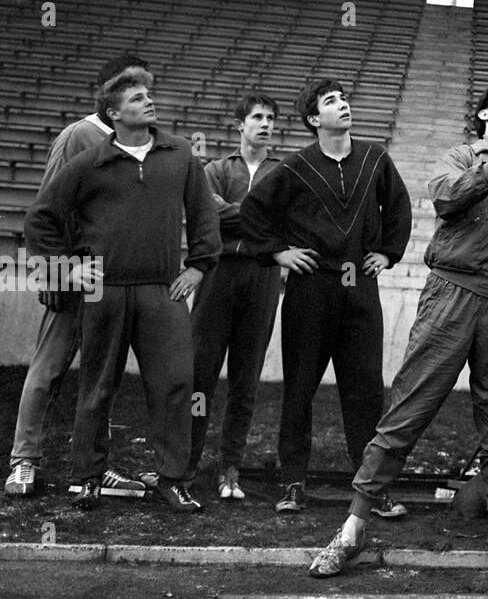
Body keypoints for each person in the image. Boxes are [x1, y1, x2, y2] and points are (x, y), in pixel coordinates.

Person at [308, 80, 488, 585]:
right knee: (409, 407)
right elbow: (443, 197)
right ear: (483, 115)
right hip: (451, 297)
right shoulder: (461, 156)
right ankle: (354, 524)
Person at [24, 67, 220, 513]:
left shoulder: (180, 155)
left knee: (174, 383)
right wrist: (66, 268)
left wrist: (198, 268)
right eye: (136, 98)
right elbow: (41, 218)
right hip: (105, 292)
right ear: (113, 113)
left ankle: (173, 478)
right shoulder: (90, 162)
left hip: (162, 291)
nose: (148, 102)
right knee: (97, 387)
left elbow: (205, 217)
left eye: (148, 95)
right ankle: (88, 477)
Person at [238, 78, 412, 516]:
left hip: (360, 288)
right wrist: (278, 251)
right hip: (310, 287)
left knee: (365, 392)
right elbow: (254, 210)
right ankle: (293, 481)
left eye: (345, 98)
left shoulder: (375, 158)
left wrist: (388, 253)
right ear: (315, 119)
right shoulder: (296, 165)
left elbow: (398, 209)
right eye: (332, 101)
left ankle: (371, 489)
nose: (343, 104)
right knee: (299, 388)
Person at [5, 52, 153, 500]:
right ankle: (22, 463)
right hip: (75, 276)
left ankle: (94, 467)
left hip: (113, 282)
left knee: (101, 375)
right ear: (109, 92)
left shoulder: (134, 144)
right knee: (48, 369)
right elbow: (46, 211)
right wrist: (54, 273)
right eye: (132, 87)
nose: (144, 96)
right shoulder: (79, 135)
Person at [187, 94, 284, 500]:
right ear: (240, 125)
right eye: (257, 117)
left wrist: (245, 224)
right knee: (199, 376)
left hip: (262, 281)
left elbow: (289, 222)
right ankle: (186, 465)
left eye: (271, 119)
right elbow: (207, 216)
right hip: (217, 277)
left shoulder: (285, 173)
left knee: (246, 378)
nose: (265, 124)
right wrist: (259, 229)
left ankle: (231, 468)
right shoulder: (214, 169)